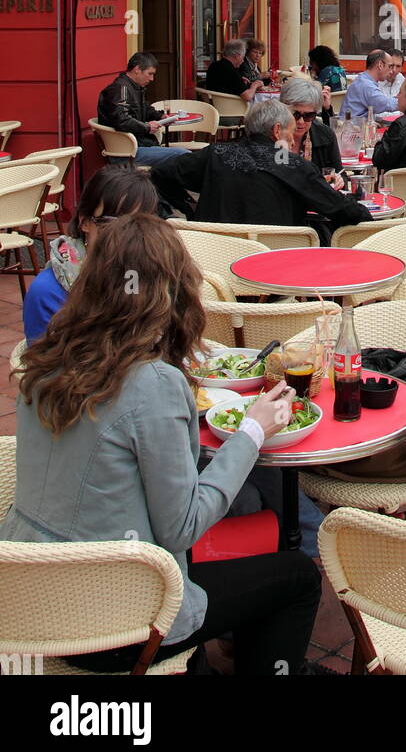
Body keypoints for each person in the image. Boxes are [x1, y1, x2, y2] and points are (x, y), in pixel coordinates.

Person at [3, 215, 322, 675]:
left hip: (29, 598)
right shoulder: (154, 383)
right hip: (117, 625)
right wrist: (253, 431)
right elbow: (182, 527)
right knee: (296, 575)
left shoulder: (45, 357)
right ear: (173, 293)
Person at [150, 100, 371, 231]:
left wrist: (189, 209)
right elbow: (343, 211)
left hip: (215, 261)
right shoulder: (295, 166)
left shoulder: (214, 154)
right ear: (277, 131)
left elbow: (158, 175)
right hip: (273, 272)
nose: (293, 140)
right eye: (290, 132)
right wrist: (369, 214)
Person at [22, 167, 159, 344]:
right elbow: (45, 363)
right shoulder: (50, 290)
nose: (129, 234)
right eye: (113, 223)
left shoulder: (140, 271)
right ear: (85, 221)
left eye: (142, 224)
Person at [97, 52, 189, 167]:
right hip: (127, 152)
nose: (152, 79)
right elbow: (122, 120)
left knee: (182, 156)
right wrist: (147, 127)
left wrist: (160, 117)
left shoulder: (134, 87)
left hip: (137, 146)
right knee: (184, 154)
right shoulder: (120, 89)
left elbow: (144, 108)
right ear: (137, 69)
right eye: (150, 73)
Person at [279, 78, 343, 186]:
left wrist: (338, 181)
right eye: (296, 114)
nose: (301, 121)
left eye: (309, 116)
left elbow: (340, 173)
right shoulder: (272, 135)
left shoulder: (326, 135)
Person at [339, 49, 399, 119]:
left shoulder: (363, 80)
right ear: (380, 65)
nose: (392, 71)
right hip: (352, 128)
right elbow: (386, 104)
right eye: (390, 66)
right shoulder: (366, 85)